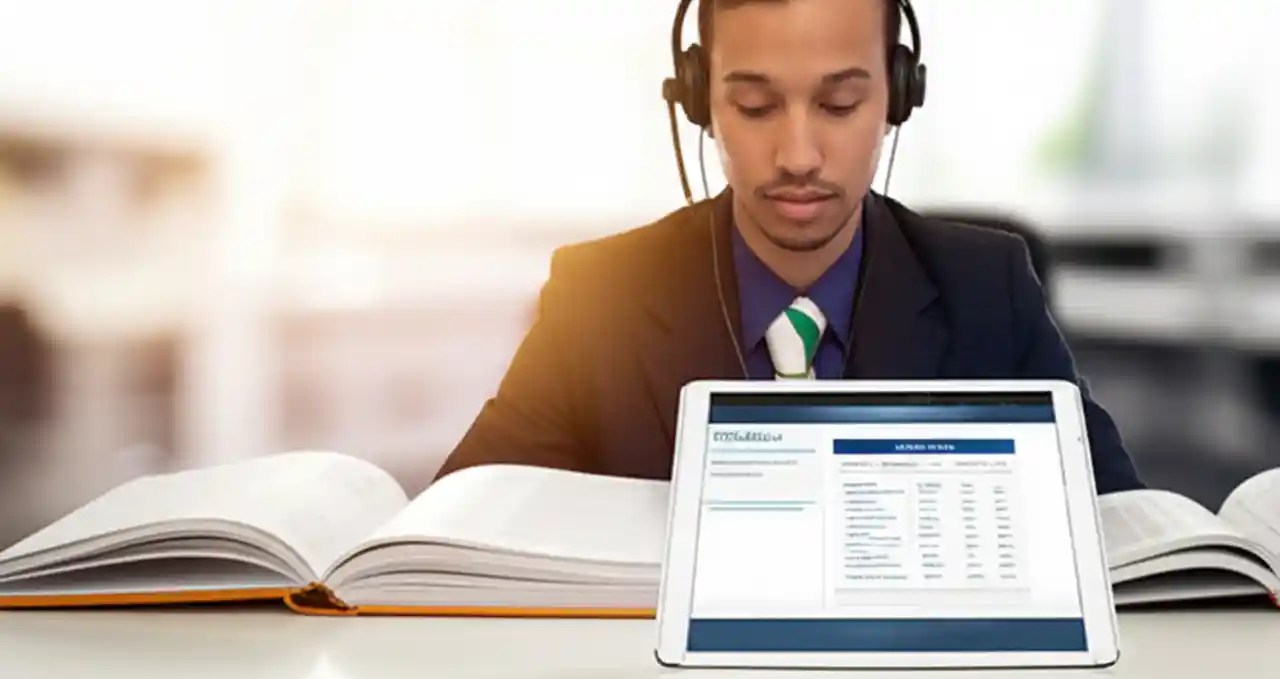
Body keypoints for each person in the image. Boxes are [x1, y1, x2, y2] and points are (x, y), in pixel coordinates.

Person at [436, 0, 1142, 494]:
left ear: (897, 98)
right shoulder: (599, 296)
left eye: (839, 105)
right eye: (755, 107)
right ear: (699, 101)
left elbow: (1121, 530)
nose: (798, 156)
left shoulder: (990, 288)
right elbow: (462, 532)